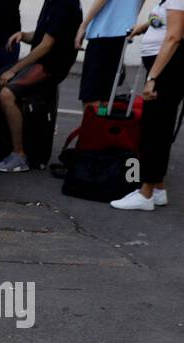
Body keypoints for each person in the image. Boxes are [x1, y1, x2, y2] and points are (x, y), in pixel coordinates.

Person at [0, 0, 81, 173]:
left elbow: (46, 45)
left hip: (50, 65)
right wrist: (23, 34)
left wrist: (14, 69)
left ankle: (19, 155)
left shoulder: (65, 4)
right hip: (42, 60)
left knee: (7, 94)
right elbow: (44, 35)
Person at [111, 0, 183, 210]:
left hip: (166, 71)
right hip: (166, 68)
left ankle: (146, 193)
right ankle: (158, 188)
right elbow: (167, 26)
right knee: (157, 127)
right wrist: (146, 26)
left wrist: (153, 77)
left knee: (156, 131)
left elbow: (174, 36)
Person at [77, 0, 141, 110]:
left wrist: (83, 26)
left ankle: (93, 126)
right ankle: (100, 125)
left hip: (104, 30)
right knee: (105, 96)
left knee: (92, 97)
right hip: (121, 32)